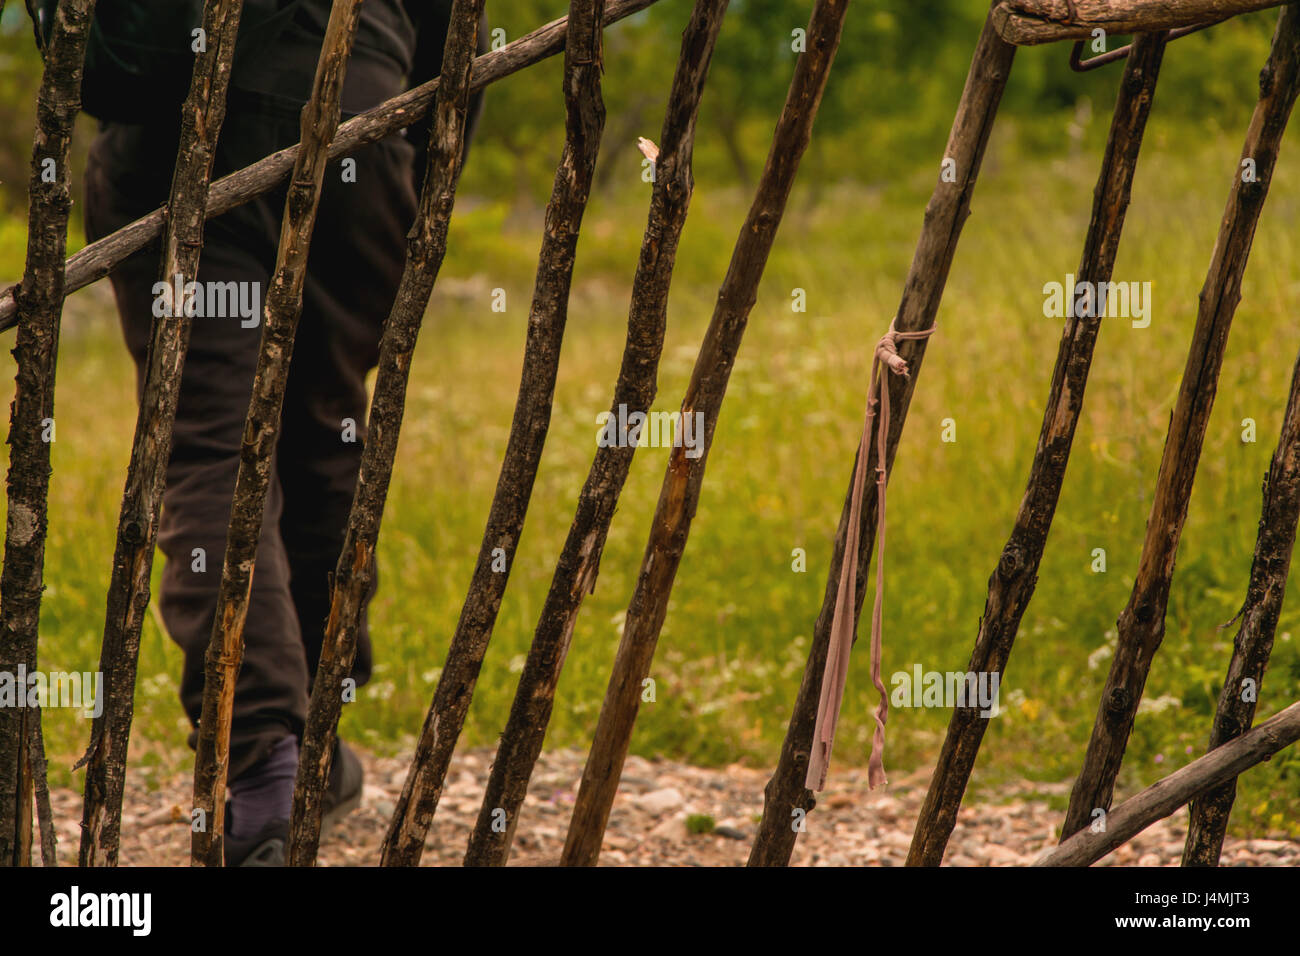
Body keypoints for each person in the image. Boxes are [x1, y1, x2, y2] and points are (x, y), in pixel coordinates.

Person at [82, 0, 484, 865]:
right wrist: (414, 167)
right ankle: (305, 739)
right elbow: (456, 27)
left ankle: (267, 754)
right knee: (324, 427)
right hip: (360, 110)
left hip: (176, 113)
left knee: (211, 442)